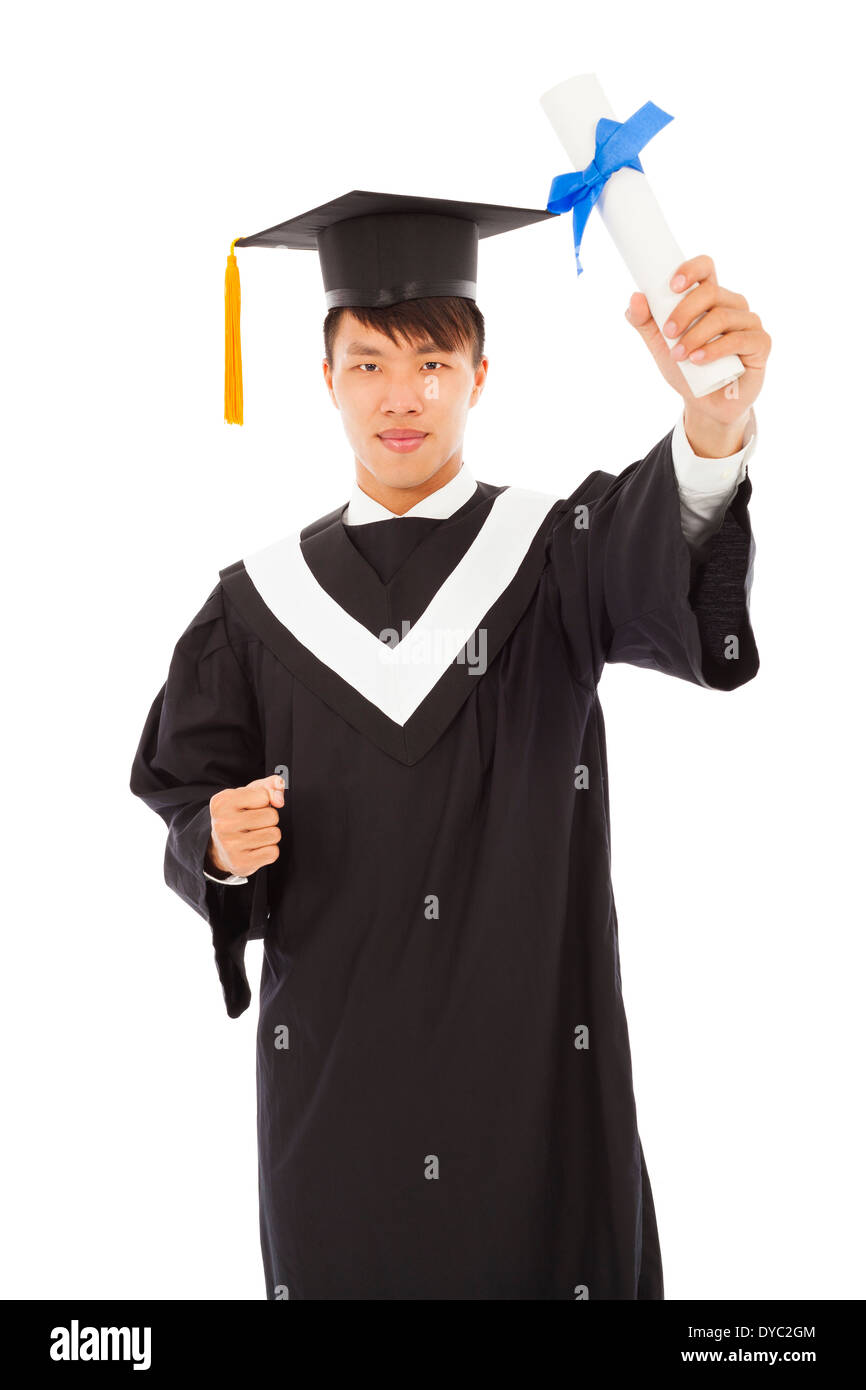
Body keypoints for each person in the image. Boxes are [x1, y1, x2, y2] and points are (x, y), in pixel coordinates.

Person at [129, 190, 771, 1299]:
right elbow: (186, 796)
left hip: (531, 1074)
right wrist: (215, 846)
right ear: (324, 379)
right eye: (369, 363)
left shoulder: (553, 557)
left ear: (479, 377)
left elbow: (664, 529)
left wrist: (713, 423)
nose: (400, 397)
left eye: (432, 364)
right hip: (336, 1082)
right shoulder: (253, 605)